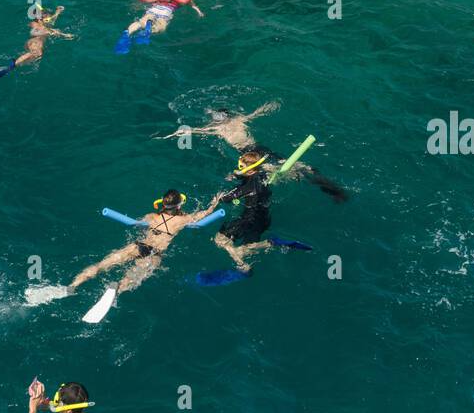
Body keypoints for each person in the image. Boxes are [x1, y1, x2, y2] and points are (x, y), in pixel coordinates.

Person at [159, 104, 347, 201]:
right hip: (261, 148)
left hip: (251, 156)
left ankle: (326, 187)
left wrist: (170, 135)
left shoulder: (216, 129)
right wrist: (267, 107)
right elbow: (255, 114)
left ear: (218, 118)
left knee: (285, 172)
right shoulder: (239, 119)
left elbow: (193, 131)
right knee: (295, 165)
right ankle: (327, 185)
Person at [69, 190, 220, 298]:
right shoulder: (183, 220)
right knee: (131, 279)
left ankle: (73, 285)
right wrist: (214, 204)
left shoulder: (151, 216)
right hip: (154, 253)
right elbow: (202, 215)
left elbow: (138, 225)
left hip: (138, 245)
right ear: (179, 205)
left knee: (102, 265)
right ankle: (118, 289)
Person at [0, 4, 73, 80]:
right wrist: (59, 33)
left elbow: (52, 20)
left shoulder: (44, 24)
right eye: (47, 18)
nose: (49, 20)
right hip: (34, 42)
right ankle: (11, 66)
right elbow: (37, 28)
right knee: (36, 53)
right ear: (40, 18)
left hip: (36, 43)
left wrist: (58, 12)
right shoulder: (35, 24)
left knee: (37, 56)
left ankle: (8, 67)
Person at [115, 0, 203, 52]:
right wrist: (198, 11)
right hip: (165, 13)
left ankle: (127, 33)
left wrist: (137, 7)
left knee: (140, 23)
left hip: (153, 10)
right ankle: (148, 31)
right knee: (161, 29)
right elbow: (190, 3)